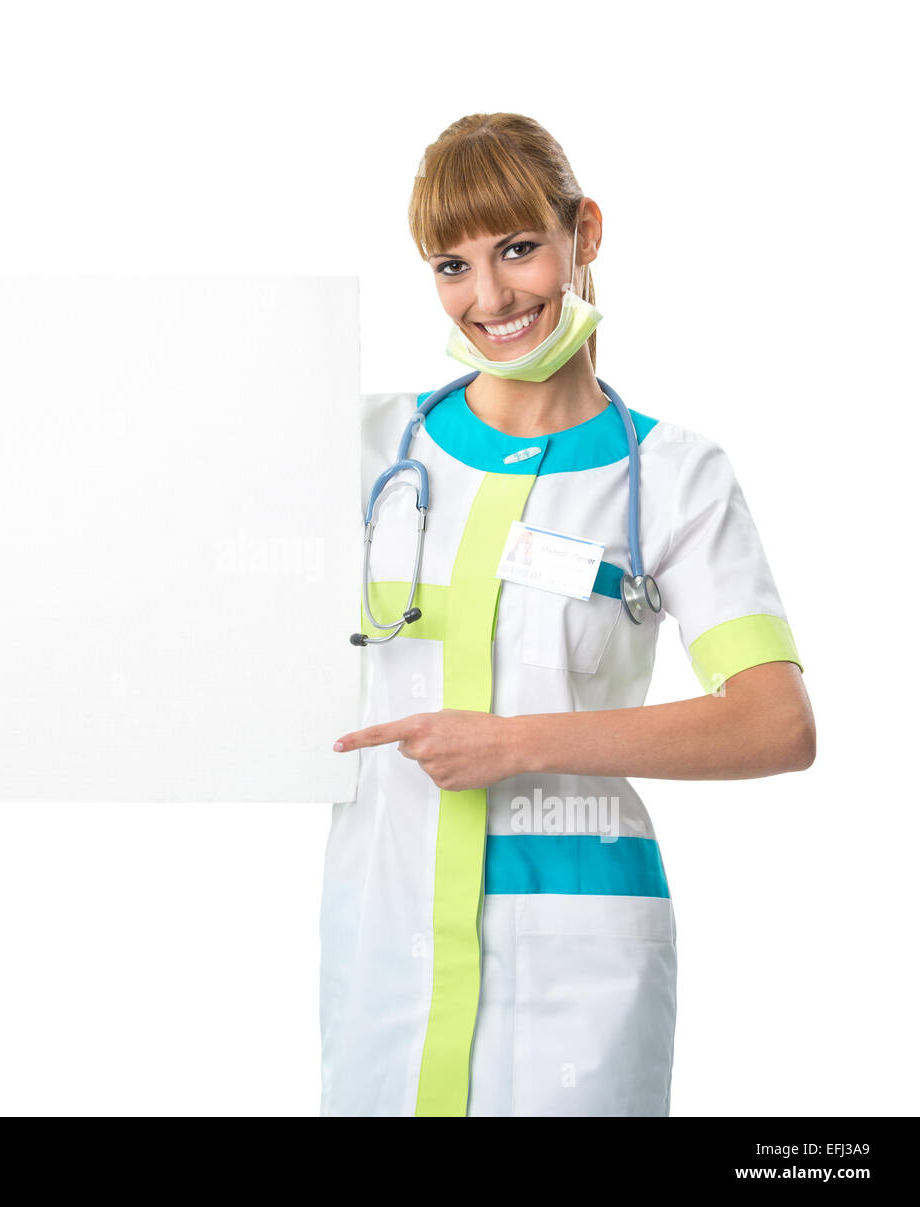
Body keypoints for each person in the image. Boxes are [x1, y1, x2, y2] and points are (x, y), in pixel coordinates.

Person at [325, 113, 815, 1117]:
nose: (489, 297)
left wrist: (514, 743)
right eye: (449, 265)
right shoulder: (368, 444)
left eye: (516, 249)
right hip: (386, 929)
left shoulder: (675, 478)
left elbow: (776, 722)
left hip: (575, 958)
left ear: (582, 234)